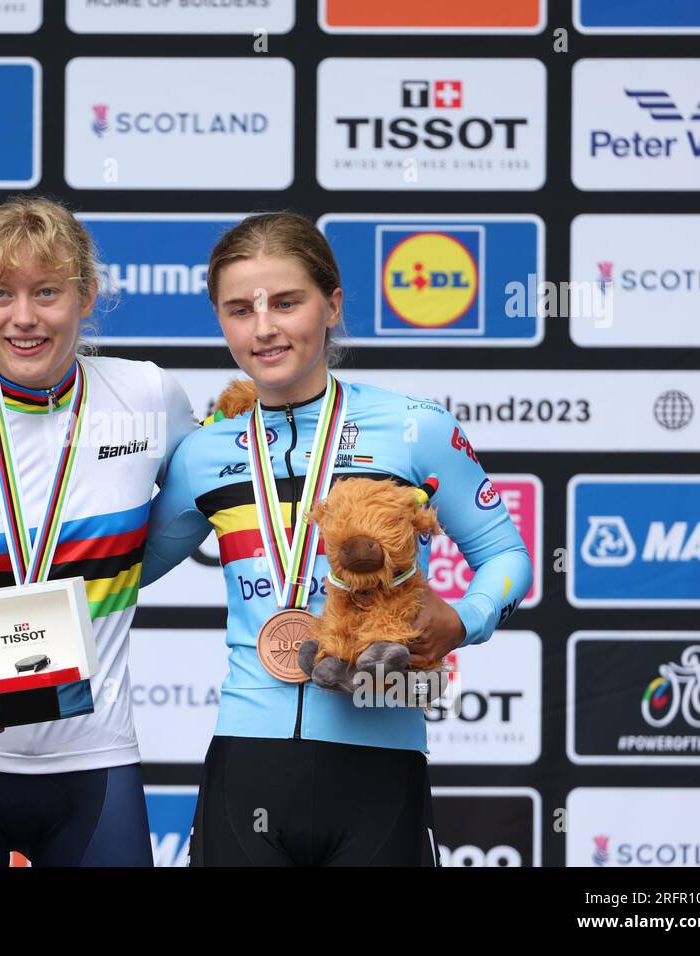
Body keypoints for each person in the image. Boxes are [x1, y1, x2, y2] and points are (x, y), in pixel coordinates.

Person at [141, 212, 532, 866]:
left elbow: (507, 557)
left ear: (333, 305)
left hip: (379, 763)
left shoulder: (415, 428)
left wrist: (464, 619)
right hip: (248, 763)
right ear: (220, 319)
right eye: (240, 309)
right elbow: (123, 570)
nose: (264, 327)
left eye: (287, 303)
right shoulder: (202, 453)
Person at [0, 197, 197, 866]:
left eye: (46, 292)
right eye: (1, 293)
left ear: (85, 296)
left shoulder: (146, 399)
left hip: (97, 755)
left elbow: (205, 505)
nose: (23, 318)